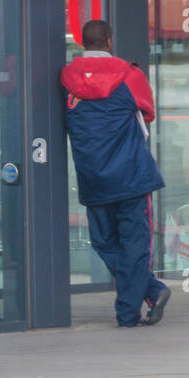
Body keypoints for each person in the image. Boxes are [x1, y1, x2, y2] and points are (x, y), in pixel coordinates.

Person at [61, 19, 171, 327]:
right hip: (131, 175)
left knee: (104, 242)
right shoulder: (129, 75)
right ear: (109, 40)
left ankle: (146, 295)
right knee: (135, 245)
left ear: (83, 42)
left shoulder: (67, 78)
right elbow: (147, 112)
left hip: (93, 176)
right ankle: (135, 306)